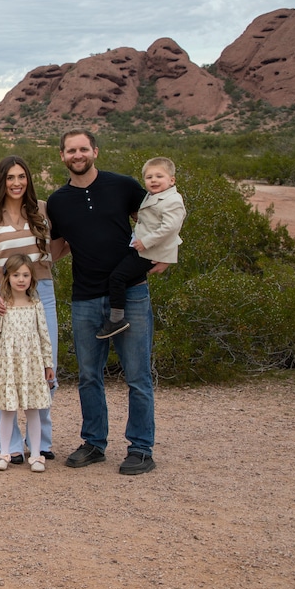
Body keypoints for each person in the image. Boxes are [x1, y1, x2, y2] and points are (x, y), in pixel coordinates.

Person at [47, 129, 165, 475]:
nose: (77, 154)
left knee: (138, 374)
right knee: (88, 376)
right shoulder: (58, 201)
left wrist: (168, 253)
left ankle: (141, 448)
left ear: (95, 151)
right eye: (71, 150)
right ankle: (94, 443)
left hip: (131, 291)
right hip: (85, 296)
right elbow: (55, 249)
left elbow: (160, 214)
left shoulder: (123, 186)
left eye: (83, 148)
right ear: (62, 156)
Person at [0, 156, 59, 463]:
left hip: (40, 292)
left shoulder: (42, 211)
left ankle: (41, 443)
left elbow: (60, 246)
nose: (16, 183)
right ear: (0, 182)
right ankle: (12, 446)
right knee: (4, 371)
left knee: (45, 369)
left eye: (21, 177)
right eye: (10, 178)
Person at [97, 156, 185, 339]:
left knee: (117, 277)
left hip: (149, 251)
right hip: (142, 247)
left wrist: (148, 242)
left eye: (159, 176)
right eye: (149, 177)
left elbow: (171, 228)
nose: (153, 180)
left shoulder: (173, 200)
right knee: (121, 273)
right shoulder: (153, 196)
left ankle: (116, 319)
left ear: (172, 180)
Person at [0, 255, 55, 472]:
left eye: (25, 275)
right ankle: (5, 452)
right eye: (16, 275)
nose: (21, 280)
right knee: (7, 409)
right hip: (9, 364)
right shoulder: (2, 305)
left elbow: (44, 335)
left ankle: (35, 454)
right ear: (8, 278)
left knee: (33, 409)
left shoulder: (35, 305)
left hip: (32, 365)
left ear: (32, 278)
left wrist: (48, 365)